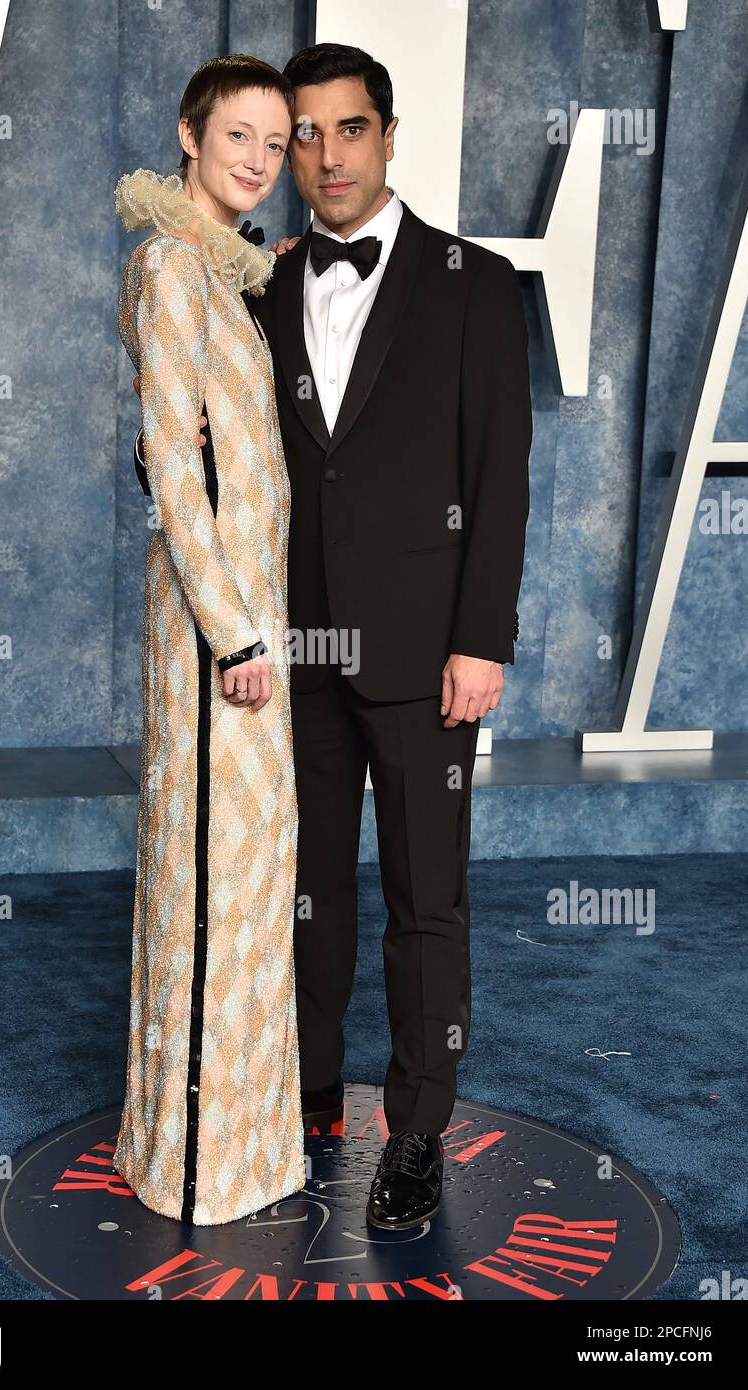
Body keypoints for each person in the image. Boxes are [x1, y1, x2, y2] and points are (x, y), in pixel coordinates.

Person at [134, 42, 533, 1232]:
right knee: (297, 893)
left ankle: (414, 1133)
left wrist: (482, 639)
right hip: (288, 654)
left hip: (426, 659)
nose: (320, 155)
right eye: (298, 134)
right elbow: (197, 434)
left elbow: (498, 481)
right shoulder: (255, 276)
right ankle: (299, 1099)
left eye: (344, 129)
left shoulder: (474, 283)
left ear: (390, 135)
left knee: (424, 898)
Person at [112, 55, 304, 1225]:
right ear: (189, 134)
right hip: (214, 630)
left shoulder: (220, 275)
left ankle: (239, 1147)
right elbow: (178, 473)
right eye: (238, 133)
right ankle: (195, 1163)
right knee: (213, 880)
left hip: (252, 617)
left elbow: (208, 440)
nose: (257, 157)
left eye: (274, 143)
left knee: (248, 878)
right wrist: (232, 634)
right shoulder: (170, 266)